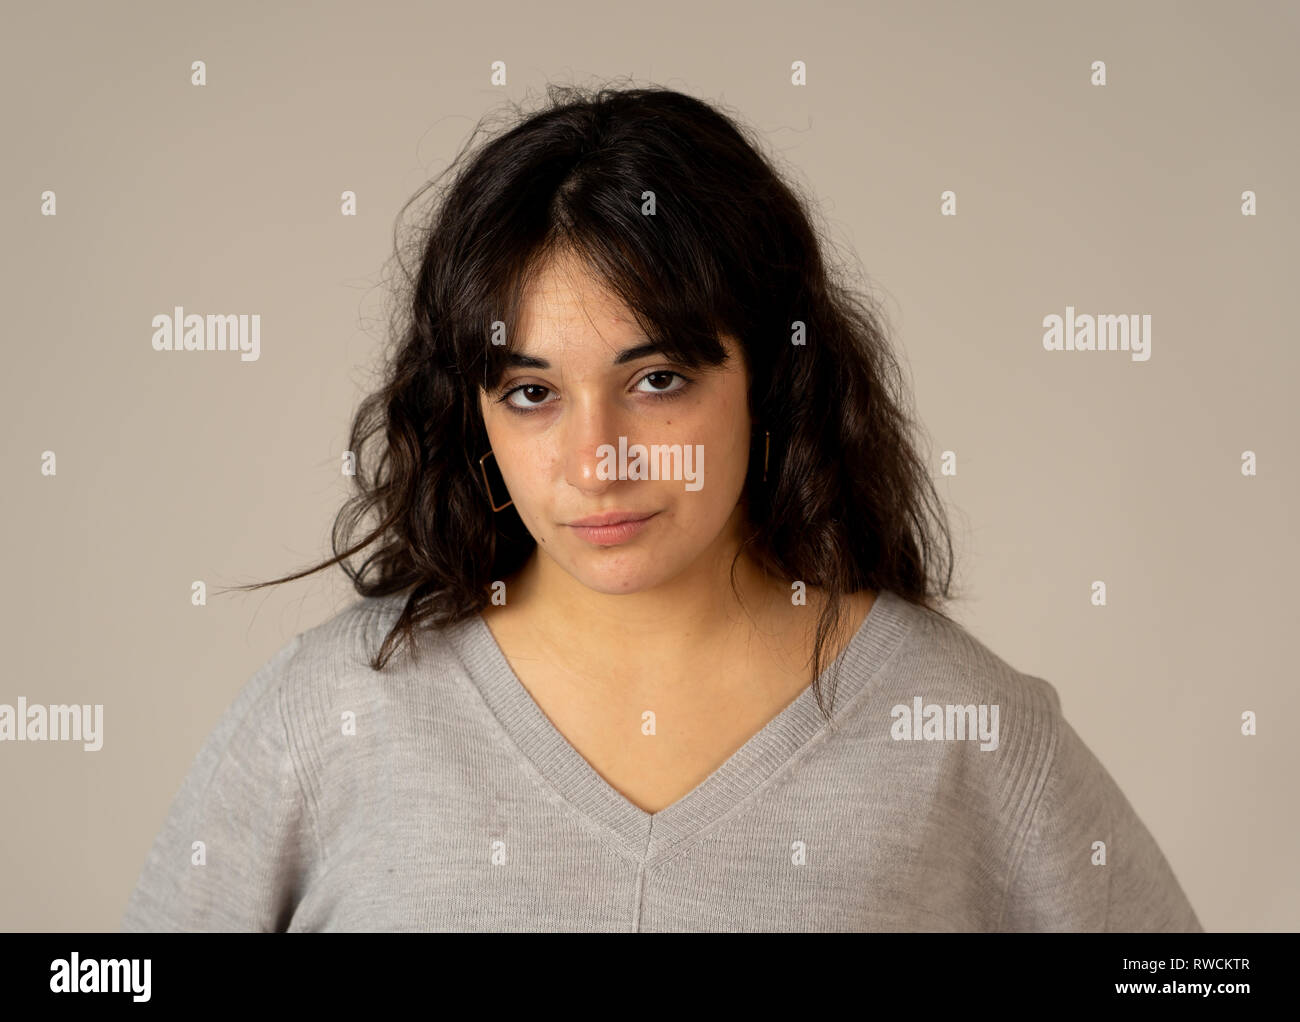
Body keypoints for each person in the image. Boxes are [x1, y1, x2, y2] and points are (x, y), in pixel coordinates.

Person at [120, 83, 1202, 932]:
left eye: (657, 380)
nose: (595, 458)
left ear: (769, 377)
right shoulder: (329, 716)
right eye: (533, 392)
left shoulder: (967, 731)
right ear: (477, 411)